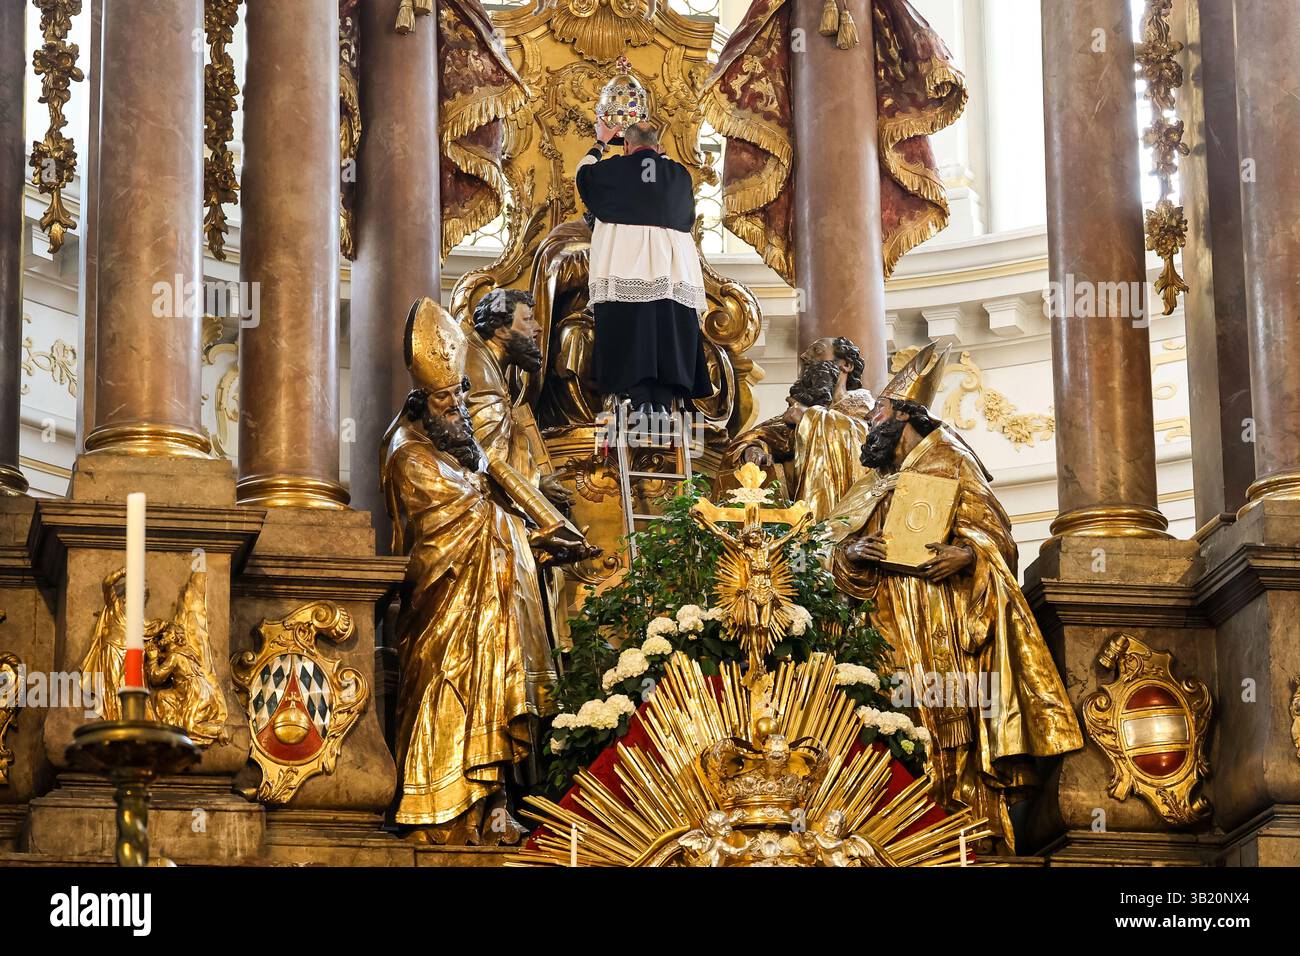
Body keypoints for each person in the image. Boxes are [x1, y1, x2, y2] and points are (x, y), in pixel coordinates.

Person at [827, 343, 1082, 852]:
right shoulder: (870, 483)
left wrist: (967, 555)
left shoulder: (952, 459)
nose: (868, 423)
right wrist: (852, 552)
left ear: (903, 413)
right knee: (891, 715)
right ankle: (900, 827)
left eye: (876, 412)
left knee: (953, 716)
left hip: (943, 610)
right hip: (885, 619)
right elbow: (832, 555)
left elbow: (998, 536)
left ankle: (967, 829)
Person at [575, 119, 712, 417]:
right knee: (666, 334)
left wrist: (600, 142)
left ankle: (638, 401)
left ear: (626, 147)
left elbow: (583, 176)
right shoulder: (678, 174)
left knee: (630, 332)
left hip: (624, 266)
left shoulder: (611, 170)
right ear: (659, 147)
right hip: (672, 272)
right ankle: (661, 404)